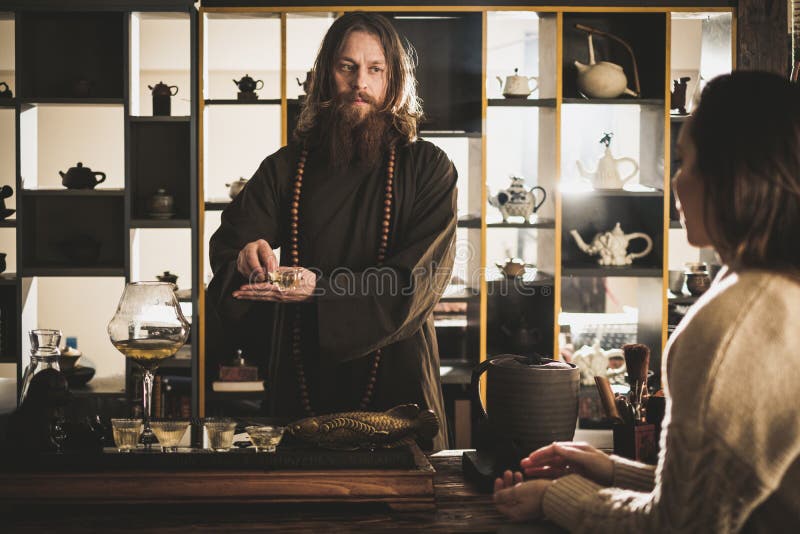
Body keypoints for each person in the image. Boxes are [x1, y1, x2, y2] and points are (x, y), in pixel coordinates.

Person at [494, 70, 800, 531]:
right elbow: (731, 496)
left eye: (686, 163)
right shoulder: (778, 292)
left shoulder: (732, 325)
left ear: (735, 177)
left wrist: (556, 496)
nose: (676, 182)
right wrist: (610, 469)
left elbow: (677, 525)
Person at [207, 12, 457, 450]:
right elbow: (230, 252)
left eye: (374, 69)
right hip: (302, 376)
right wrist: (249, 258)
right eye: (347, 67)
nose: (360, 81)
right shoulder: (286, 167)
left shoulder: (429, 169)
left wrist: (320, 289)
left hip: (399, 389)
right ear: (326, 76)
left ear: (392, 81)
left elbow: (419, 283)